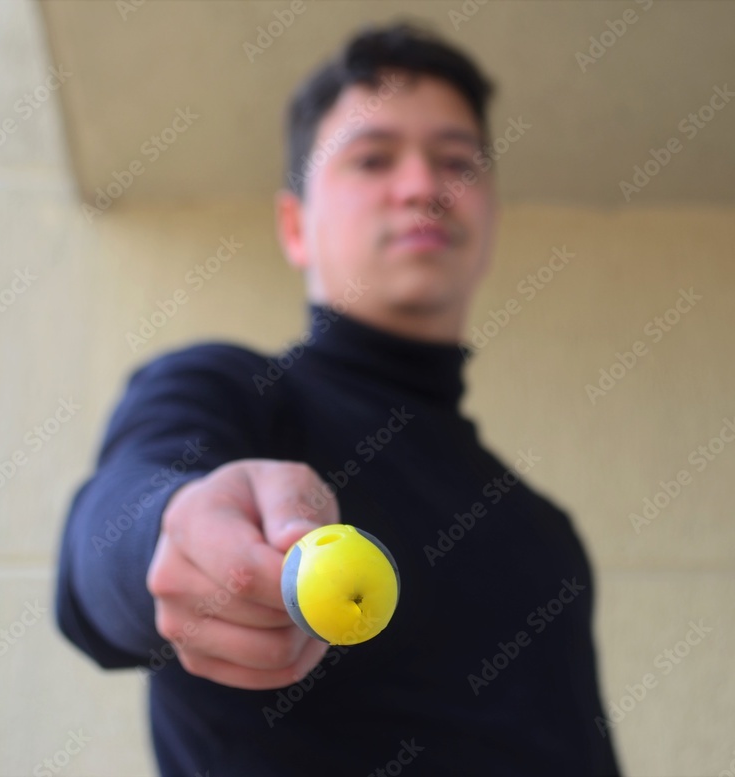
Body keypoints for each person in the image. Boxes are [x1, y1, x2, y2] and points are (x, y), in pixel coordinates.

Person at [55, 21, 621, 776]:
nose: (423, 186)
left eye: (456, 161)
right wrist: (170, 532)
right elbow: (109, 540)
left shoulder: (548, 540)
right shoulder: (227, 393)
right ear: (296, 225)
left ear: (490, 216)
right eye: (373, 158)